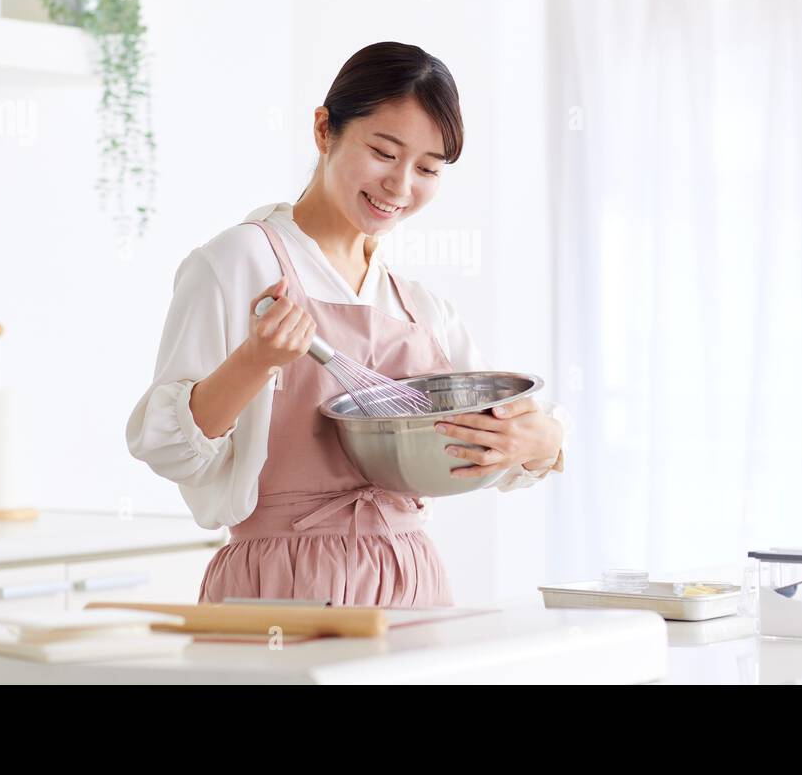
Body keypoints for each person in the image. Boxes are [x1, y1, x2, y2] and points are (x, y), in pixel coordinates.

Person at [126, 41, 568, 607]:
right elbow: (167, 447)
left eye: (428, 168)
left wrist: (542, 439)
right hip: (281, 587)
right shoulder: (238, 262)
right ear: (324, 130)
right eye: (384, 152)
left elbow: (495, 436)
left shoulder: (418, 306)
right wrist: (254, 361)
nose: (401, 186)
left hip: (412, 582)